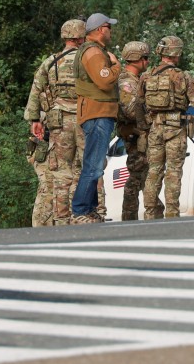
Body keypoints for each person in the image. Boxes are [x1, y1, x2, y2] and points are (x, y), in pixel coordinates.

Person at [23, 18, 86, 225]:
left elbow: (36, 89)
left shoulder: (50, 62)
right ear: (81, 36)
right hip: (86, 119)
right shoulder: (89, 59)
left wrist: (34, 119)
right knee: (88, 169)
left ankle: (61, 220)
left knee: (60, 172)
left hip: (58, 122)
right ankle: (87, 215)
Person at [71, 12, 121, 224]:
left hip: (97, 113)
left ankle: (89, 210)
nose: (111, 31)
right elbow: (105, 81)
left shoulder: (93, 50)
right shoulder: (93, 53)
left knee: (94, 164)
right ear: (100, 29)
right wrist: (116, 65)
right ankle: (80, 211)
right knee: (94, 166)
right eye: (109, 27)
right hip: (98, 114)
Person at [139, 36, 194, 219]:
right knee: (174, 172)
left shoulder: (147, 76)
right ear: (176, 53)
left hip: (155, 129)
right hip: (176, 129)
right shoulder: (183, 76)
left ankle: (150, 213)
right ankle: (172, 214)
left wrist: (145, 126)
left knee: (153, 171)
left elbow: (138, 104)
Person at [116, 41, 152, 220]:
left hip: (140, 135)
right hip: (135, 136)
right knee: (137, 178)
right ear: (136, 58)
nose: (147, 61)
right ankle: (129, 219)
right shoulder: (126, 82)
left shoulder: (136, 80)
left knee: (142, 177)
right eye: (145, 57)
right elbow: (130, 111)